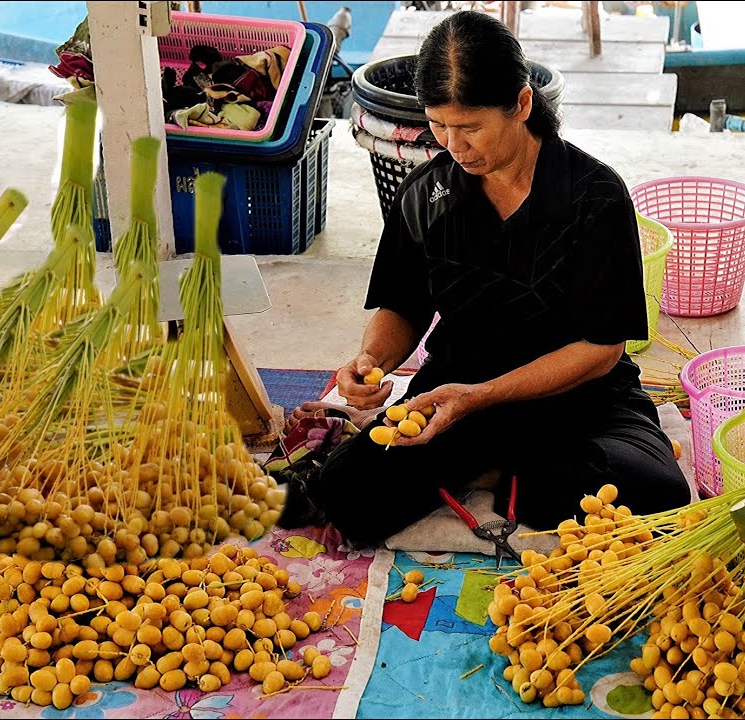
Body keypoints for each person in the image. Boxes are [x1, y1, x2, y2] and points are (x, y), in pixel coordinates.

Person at [280, 10, 690, 546]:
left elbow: (601, 350)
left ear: (521, 105)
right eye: (439, 125)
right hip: (454, 394)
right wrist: (372, 362)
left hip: (578, 395)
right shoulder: (426, 197)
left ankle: (497, 470)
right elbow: (402, 307)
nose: (453, 145)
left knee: (655, 494)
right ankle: (496, 466)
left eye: (470, 127)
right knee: (343, 499)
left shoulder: (594, 197)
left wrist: (485, 396)